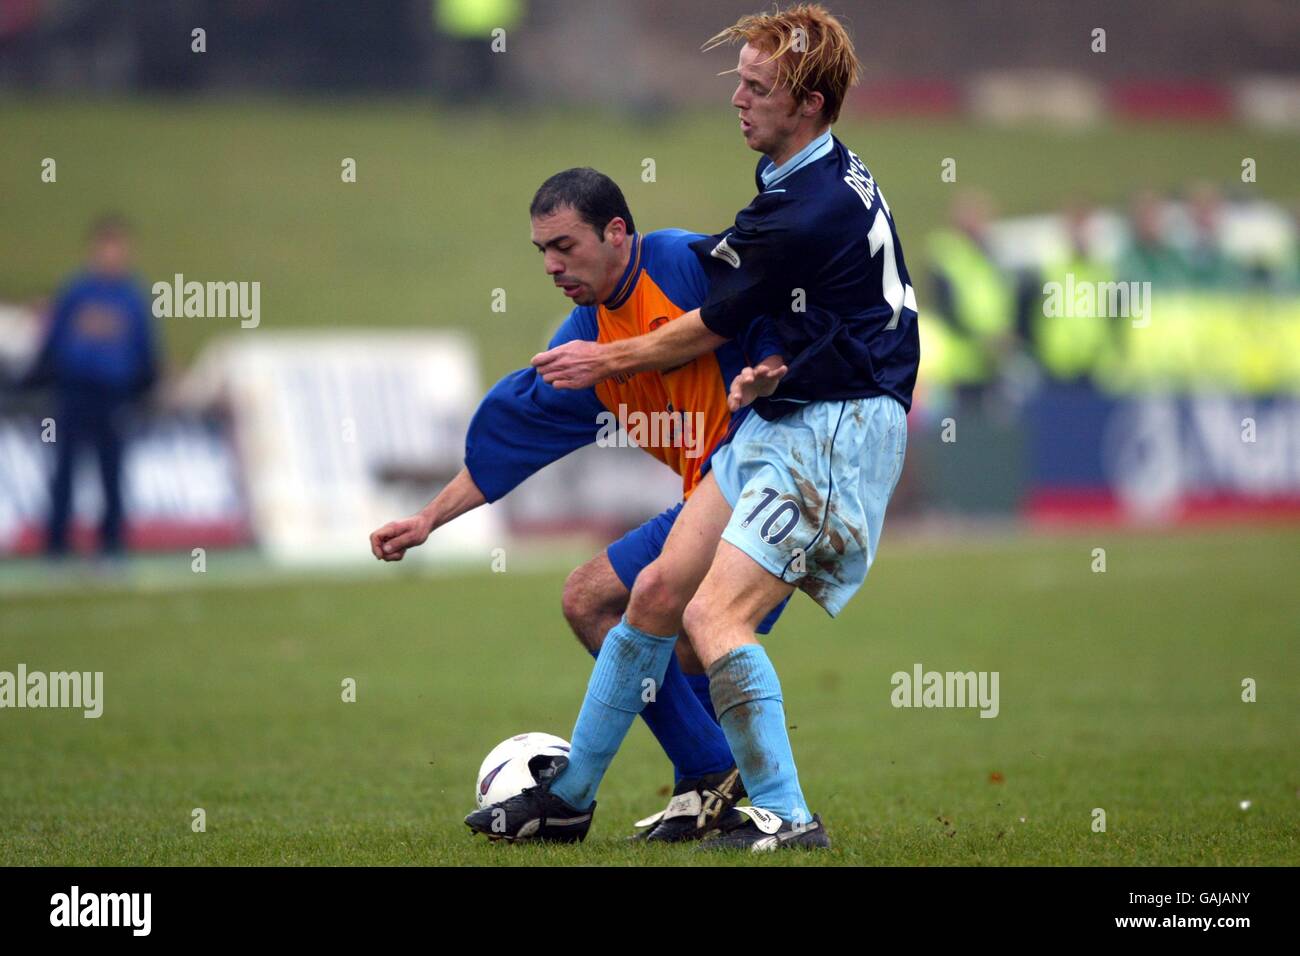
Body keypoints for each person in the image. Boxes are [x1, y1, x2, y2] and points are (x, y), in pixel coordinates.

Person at [468, 4, 918, 850]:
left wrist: (610, 360)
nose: (738, 100)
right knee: (652, 594)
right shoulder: (802, 178)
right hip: (793, 410)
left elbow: (712, 319)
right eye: (739, 82)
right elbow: (828, 303)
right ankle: (570, 797)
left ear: (811, 106)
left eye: (758, 87)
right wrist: (783, 361)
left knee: (713, 622)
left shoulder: (805, 204)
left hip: (840, 427)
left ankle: (787, 818)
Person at [368, 168, 787, 840]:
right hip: (714, 501)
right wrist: (426, 519)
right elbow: (512, 438)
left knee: (593, 598)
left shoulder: (680, 263)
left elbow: (763, 301)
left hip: (767, 486)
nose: (552, 264)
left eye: (565, 245)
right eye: (541, 252)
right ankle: (714, 795)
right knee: (674, 651)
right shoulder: (582, 339)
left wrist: (769, 362)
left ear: (617, 232)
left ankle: (695, 782)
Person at [26, 215, 158, 557]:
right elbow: (55, 340)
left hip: (113, 397)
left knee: (112, 473)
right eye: (106, 247)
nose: (112, 255)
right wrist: (38, 375)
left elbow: (145, 347)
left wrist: (146, 385)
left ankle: (112, 544)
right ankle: (57, 545)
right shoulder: (78, 291)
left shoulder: (132, 297)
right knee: (64, 471)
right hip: (75, 394)